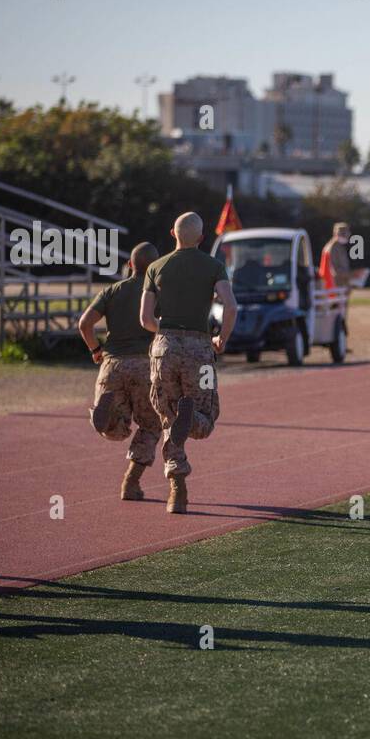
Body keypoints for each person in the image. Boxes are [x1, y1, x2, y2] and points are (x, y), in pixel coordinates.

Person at [138, 212, 237, 514]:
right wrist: (221, 339)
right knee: (206, 415)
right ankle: (191, 418)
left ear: (173, 233)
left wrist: (167, 333)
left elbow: (144, 319)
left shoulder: (155, 267)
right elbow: (230, 306)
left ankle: (176, 488)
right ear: (202, 238)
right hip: (200, 351)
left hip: (163, 350)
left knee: (168, 417)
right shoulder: (214, 266)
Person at [78, 242, 162, 500]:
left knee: (118, 429)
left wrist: (95, 349)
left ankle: (108, 419)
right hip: (145, 366)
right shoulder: (159, 293)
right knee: (151, 425)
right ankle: (131, 482)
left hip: (112, 365)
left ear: (129, 265)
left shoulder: (111, 290)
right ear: (156, 269)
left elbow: (84, 324)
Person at [318, 222, 353, 290]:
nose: (347, 236)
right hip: (332, 283)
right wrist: (347, 278)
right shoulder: (333, 247)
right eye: (344, 234)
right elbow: (335, 270)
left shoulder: (337, 246)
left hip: (332, 282)